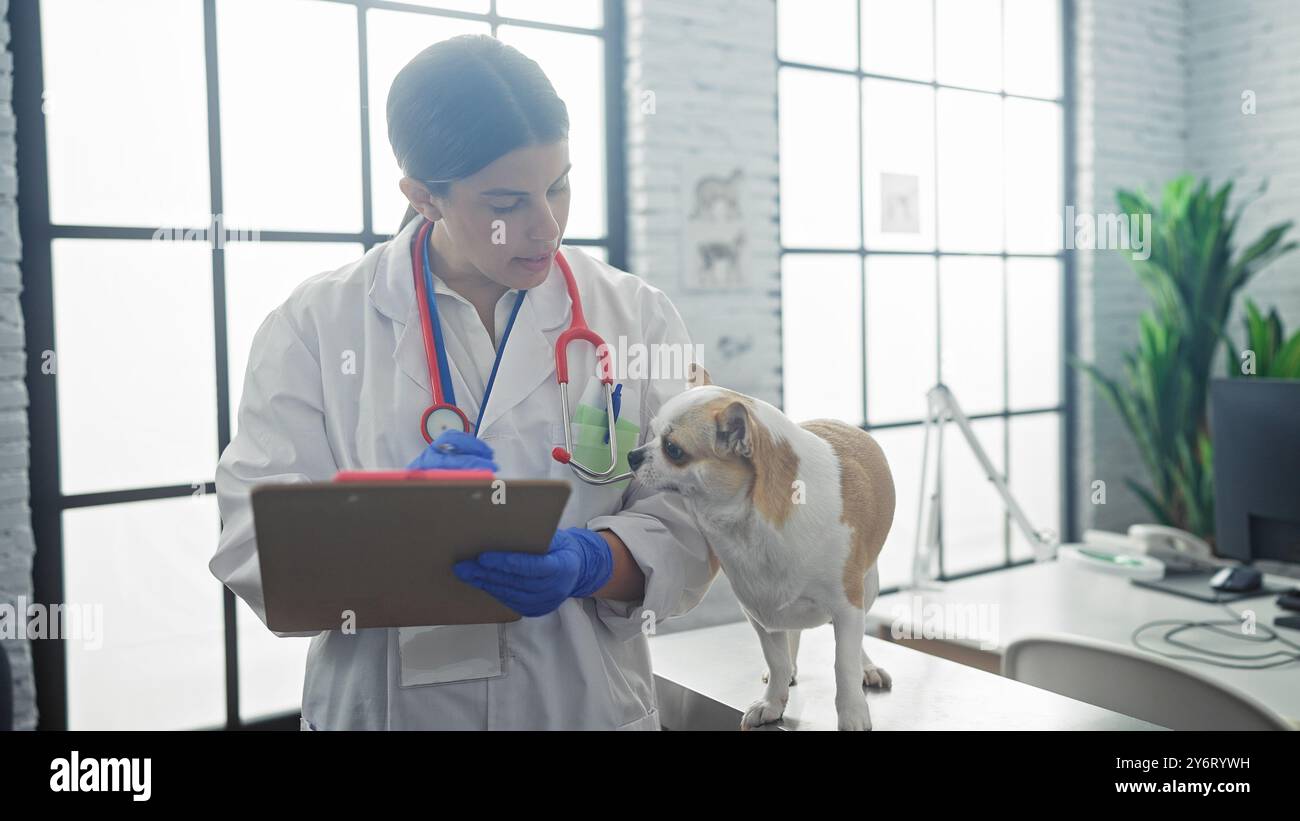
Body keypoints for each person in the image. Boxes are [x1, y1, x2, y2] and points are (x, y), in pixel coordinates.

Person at [209, 34, 717, 730]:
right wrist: (386, 531)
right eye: (506, 202)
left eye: (559, 185)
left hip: (581, 707)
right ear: (423, 196)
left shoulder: (635, 316)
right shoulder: (316, 326)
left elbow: (693, 519)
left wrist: (593, 559)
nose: (546, 227)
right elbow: (251, 548)